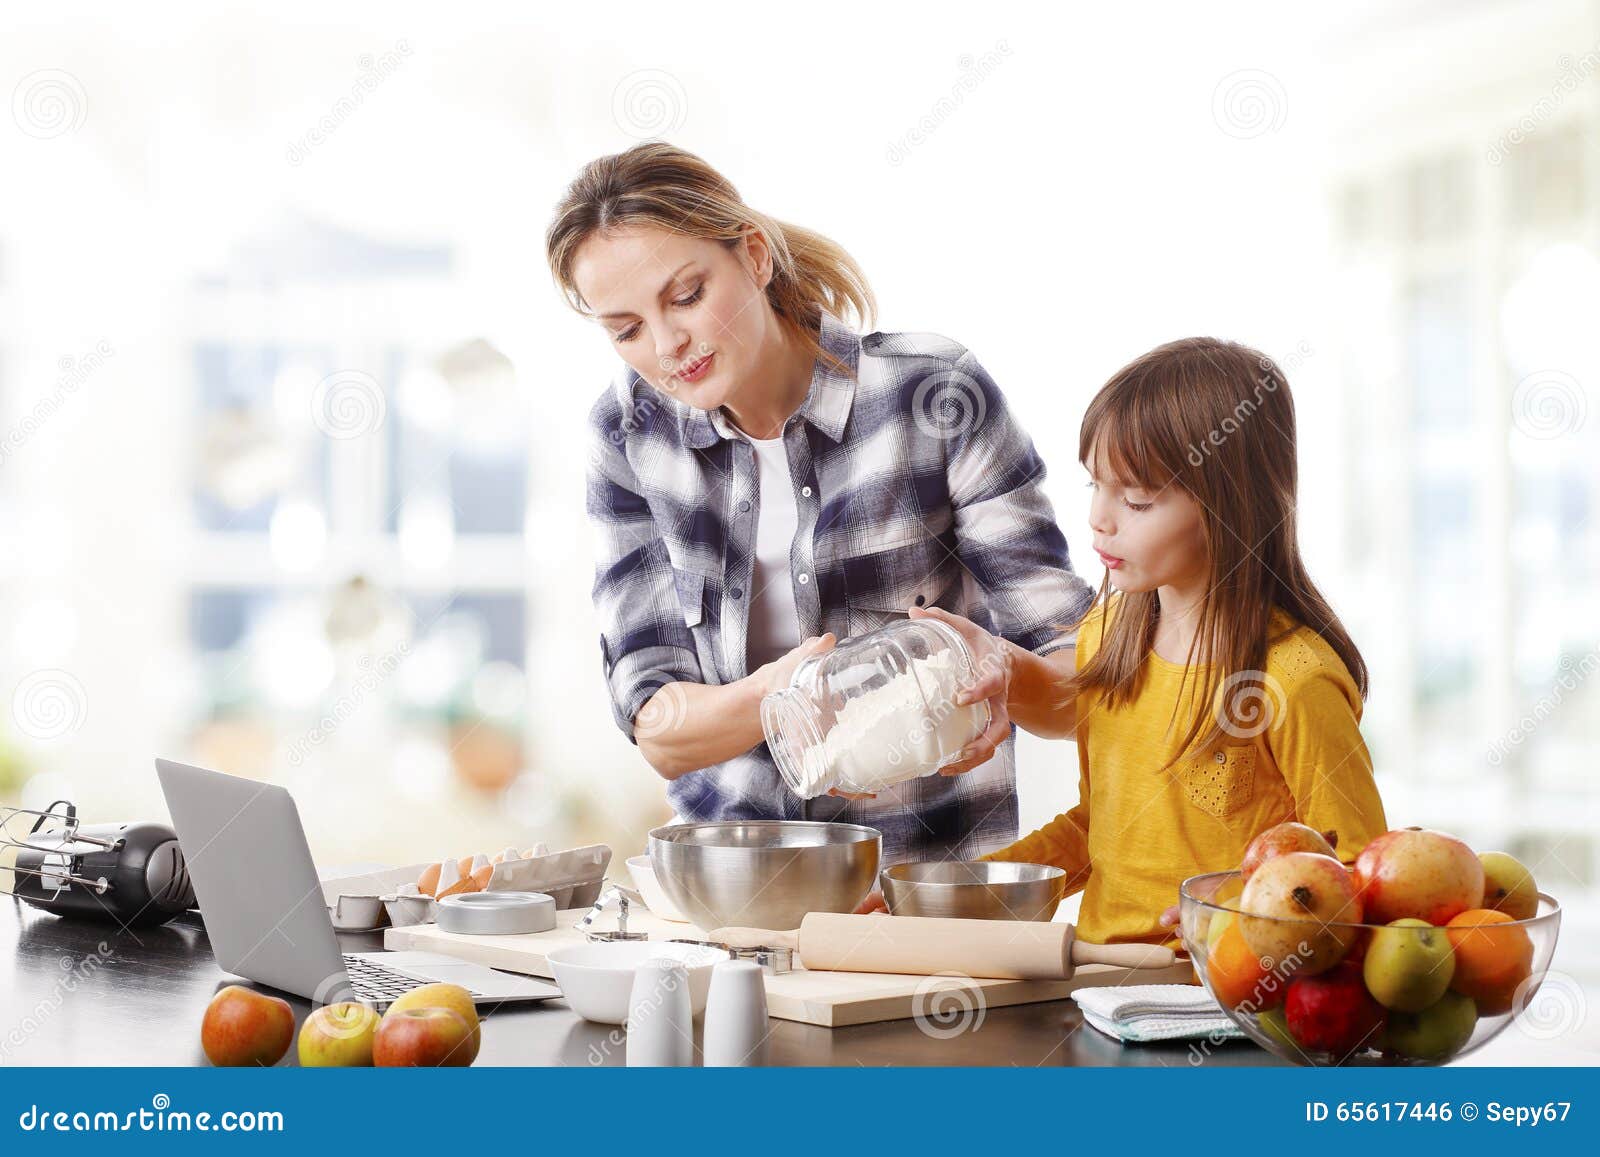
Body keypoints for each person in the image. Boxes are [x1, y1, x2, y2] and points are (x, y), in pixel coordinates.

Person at [546, 142, 1093, 862]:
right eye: (626, 329)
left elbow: (1082, 677)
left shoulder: (931, 395)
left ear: (754, 255)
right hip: (732, 894)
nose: (669, 342)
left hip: (922, 902)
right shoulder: (629, 434)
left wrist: (1006, 675)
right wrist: (786, 693)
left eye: (686, 295)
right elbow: (661, 729)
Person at [878, 337, 1387, 942]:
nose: (1100, 517)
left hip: (1218, 1005)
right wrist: (955, 892)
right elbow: (1099, 831)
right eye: (1096, 484)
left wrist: (1233, 905)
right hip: (1099, 993)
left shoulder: (1295, 679)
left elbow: (1360, 877)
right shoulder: (1106, 642)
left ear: (1231, 508)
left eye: (1137, 500)